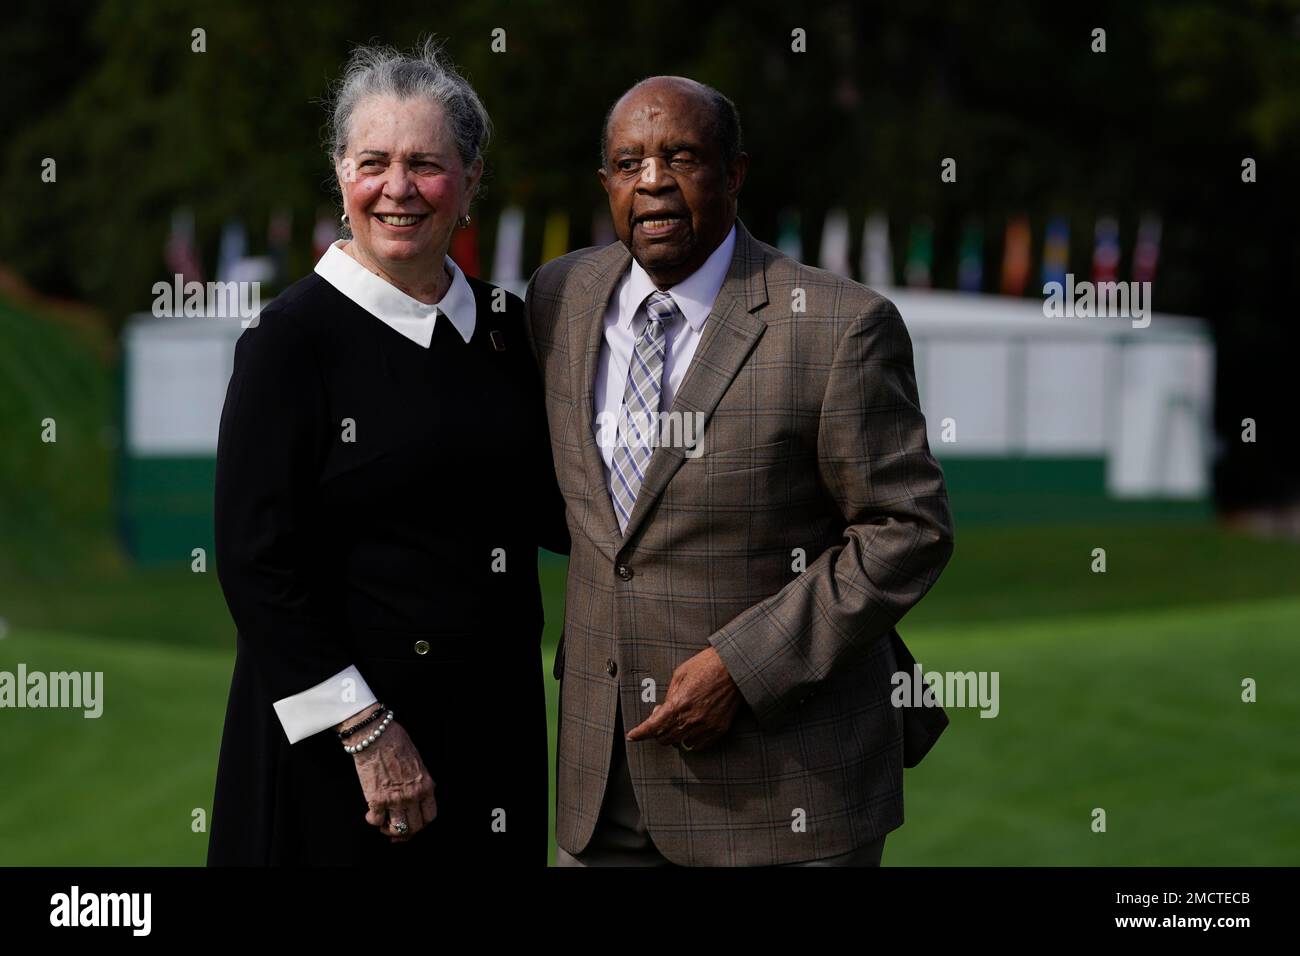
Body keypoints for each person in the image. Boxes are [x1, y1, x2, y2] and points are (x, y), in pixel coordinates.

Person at [523, 76, 954, 866]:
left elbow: (908, 529)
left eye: (681, 156)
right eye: (629, 163)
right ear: (606, 184)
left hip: (787, 790)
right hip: (605, 783)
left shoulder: (836, 325)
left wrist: (741, 664)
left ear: (735, 173)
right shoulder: (560, 296)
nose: (653, 181)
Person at [207, 39, 565, 866]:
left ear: (471, 181)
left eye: (427, 165)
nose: (398, 188)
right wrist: (367, 732)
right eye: (374, 162)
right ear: (340, 174)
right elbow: (255, 563)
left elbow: (561, 512)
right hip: (343, 761)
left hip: (492, 739)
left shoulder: (512, 329)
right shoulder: (290, 341)